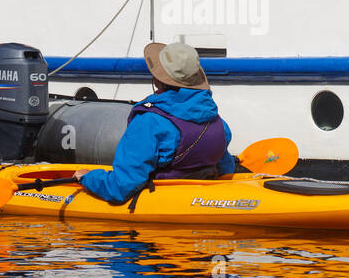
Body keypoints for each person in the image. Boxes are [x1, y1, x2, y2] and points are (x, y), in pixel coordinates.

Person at [73, 42, 235, 207]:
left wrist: (88, 178)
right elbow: (226, 168)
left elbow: (122, 186)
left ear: (158, 80)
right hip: (204, 199)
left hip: (163, 202)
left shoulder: (149, 123)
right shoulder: (219, 123)